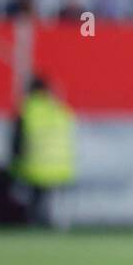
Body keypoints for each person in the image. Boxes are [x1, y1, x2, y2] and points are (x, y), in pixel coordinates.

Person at [10, 76, 77, 228]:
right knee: (49, 198)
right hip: (63, 169)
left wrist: (13, 169)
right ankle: (55, 221)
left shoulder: (26, 111)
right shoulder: (61, 110)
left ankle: (35, 221)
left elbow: (16, 146)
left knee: (32, 197)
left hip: (35, 169)